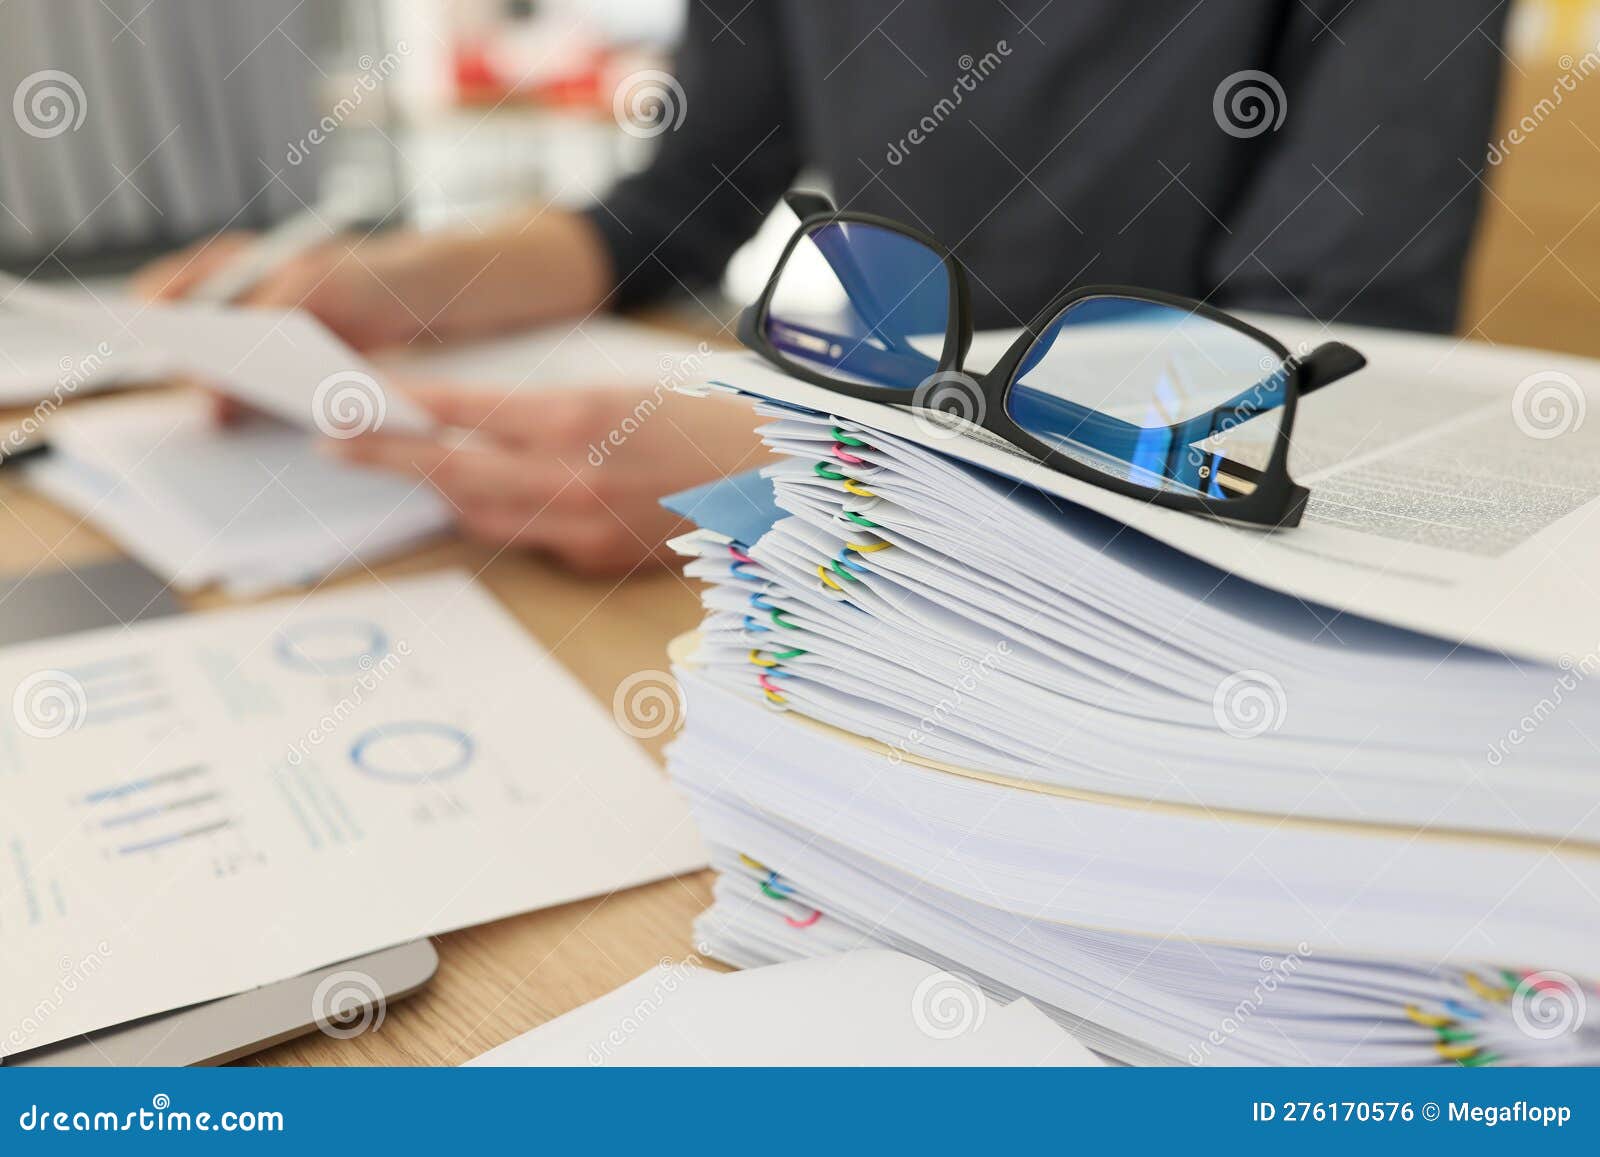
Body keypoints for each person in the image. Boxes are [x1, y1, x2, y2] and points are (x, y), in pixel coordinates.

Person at [134, 0, 1509, 575]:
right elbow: (672, 208)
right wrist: (393, 281)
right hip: (837, 535)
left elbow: (1323, 367)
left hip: (1142, 585)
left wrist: (814, 463)